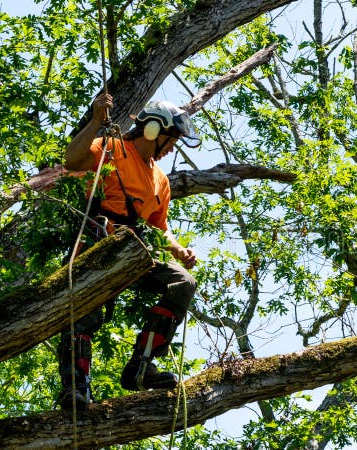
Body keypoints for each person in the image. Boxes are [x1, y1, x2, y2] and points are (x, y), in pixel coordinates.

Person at [59, 94, 200, 411]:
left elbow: (159, 228)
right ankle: (76, 389)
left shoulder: (160, 180)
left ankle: (142, 365)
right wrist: (96, 121)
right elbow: (72, 160)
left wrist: (178, 251)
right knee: (85, 315)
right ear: (152, 130)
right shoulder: (112, 148)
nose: (172, 148)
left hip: (134, 252)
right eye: (171, 139)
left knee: (182, 283)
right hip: (97, 245)